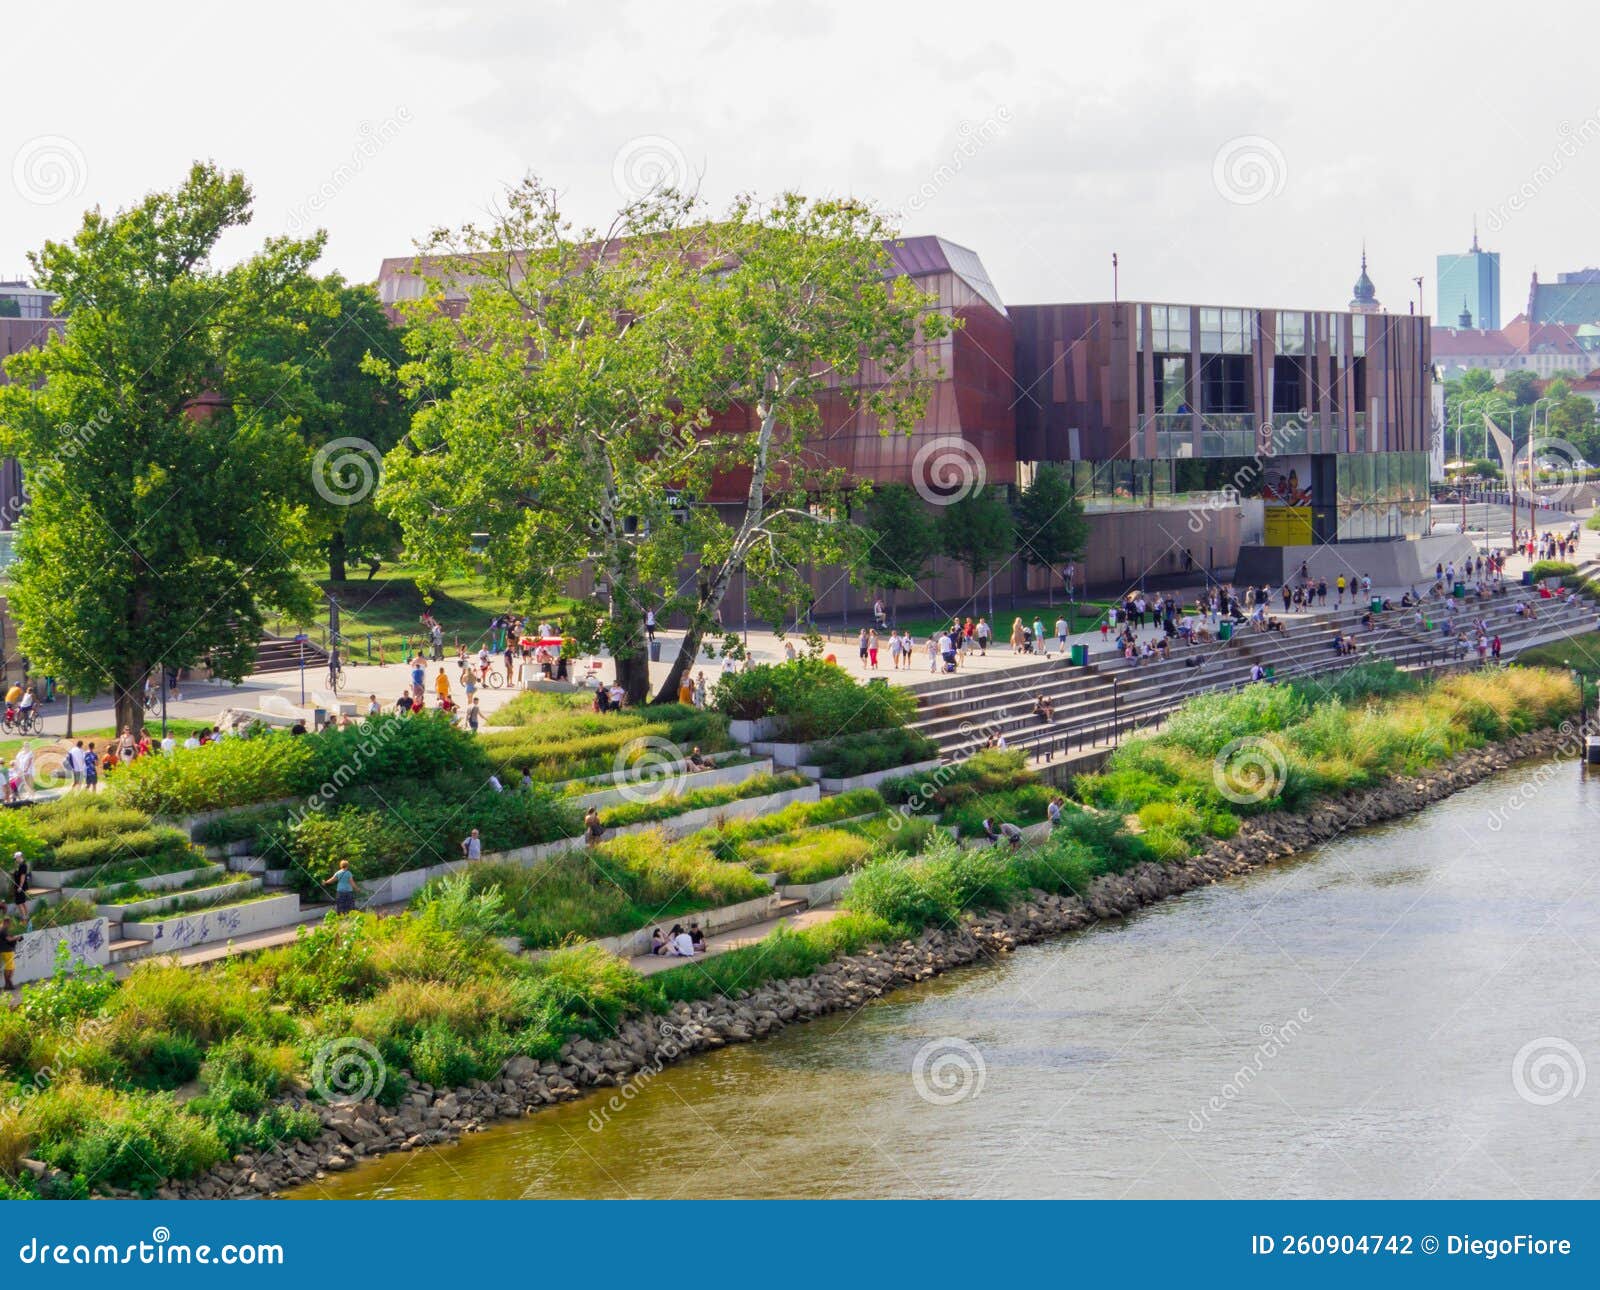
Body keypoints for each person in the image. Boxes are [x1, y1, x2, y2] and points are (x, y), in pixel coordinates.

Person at [10, 852, 29, 923]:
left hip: (20, 887)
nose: (15, 860)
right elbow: (17, 874)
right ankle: (27, 917)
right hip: (18, 886)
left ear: (19, 857)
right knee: (22, 902)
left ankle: (24, 920)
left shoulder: (23, 865)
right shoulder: (19, 865)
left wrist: (20, 887)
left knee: (19, 903)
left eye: (16, 858)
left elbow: (23, 876)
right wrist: (12, 873)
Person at [0, 916, 16, 991]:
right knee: (9, 968)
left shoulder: (1, 928)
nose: (9, 925)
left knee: (10, 968)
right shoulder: (3, 929)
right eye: (9, 924)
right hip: (7, 951)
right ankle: (9, 984)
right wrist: (17, 938)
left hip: (5, 951)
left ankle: (7, 984)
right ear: (6, 922)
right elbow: (9, 939)